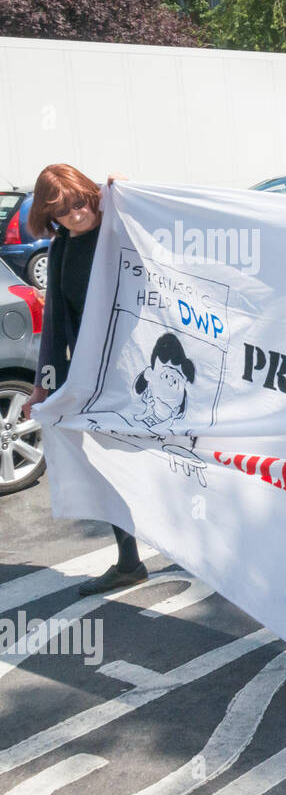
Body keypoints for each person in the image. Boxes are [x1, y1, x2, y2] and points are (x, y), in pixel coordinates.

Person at [21, 163, 148, 597]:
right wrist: (41, 388)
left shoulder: (118, 233)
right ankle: (129, 561)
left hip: (145, 371)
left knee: (175, 459)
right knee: (108, 466)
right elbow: (56, 325)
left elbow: (161, 238)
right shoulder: (59, 251)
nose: (75, 214)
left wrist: (133, 193)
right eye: (62, 210)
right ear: (49, 215)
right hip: (97, 379)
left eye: (79, 202)